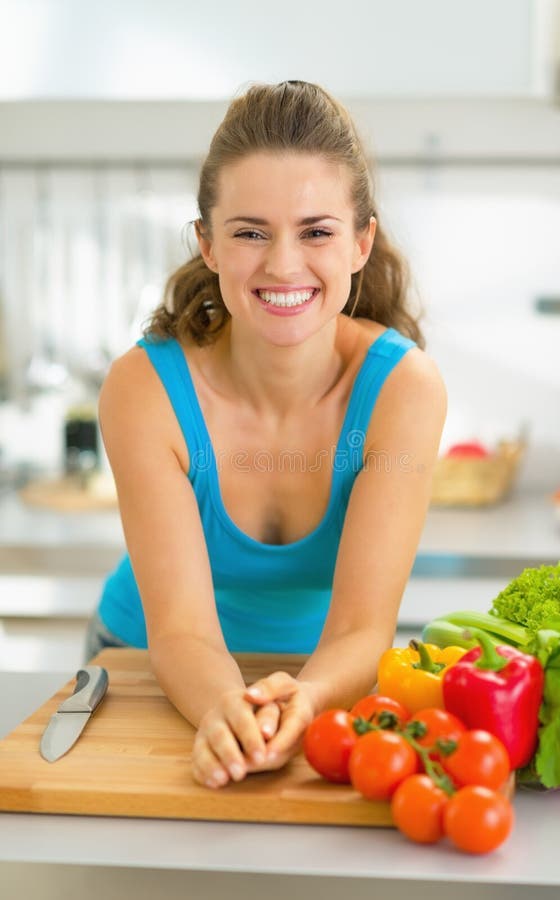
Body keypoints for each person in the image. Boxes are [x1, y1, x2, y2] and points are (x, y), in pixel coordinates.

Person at [86, 80, 447, 790]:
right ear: (208, 245)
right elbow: (182, 631)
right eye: (250, 232)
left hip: (328, 683)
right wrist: (224, 706)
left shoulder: (403, 390)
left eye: (316, 231)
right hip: (144, 671)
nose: (282, 265)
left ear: (360, 243)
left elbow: (361, 632)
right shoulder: (143, 390)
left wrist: (304, 701)